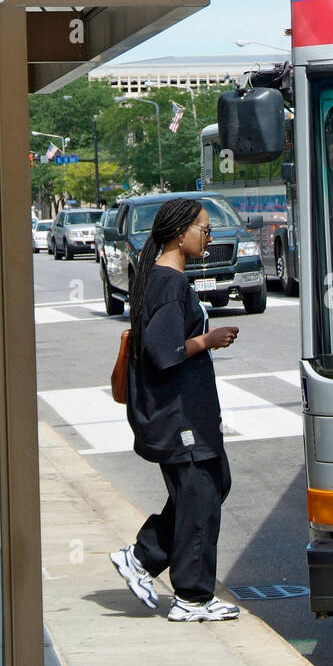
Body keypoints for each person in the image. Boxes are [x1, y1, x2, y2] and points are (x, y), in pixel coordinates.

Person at [112, 198, 242, 621]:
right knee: (200, 495)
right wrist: (209, 339)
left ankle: (141, 558)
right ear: (180, 233)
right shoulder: (168, 283)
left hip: (186, 413)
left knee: (209, 486)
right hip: (177, 415)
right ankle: (192, 597)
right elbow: (163, 352)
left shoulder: (164, 278)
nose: (209, 237)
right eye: (204, 229)